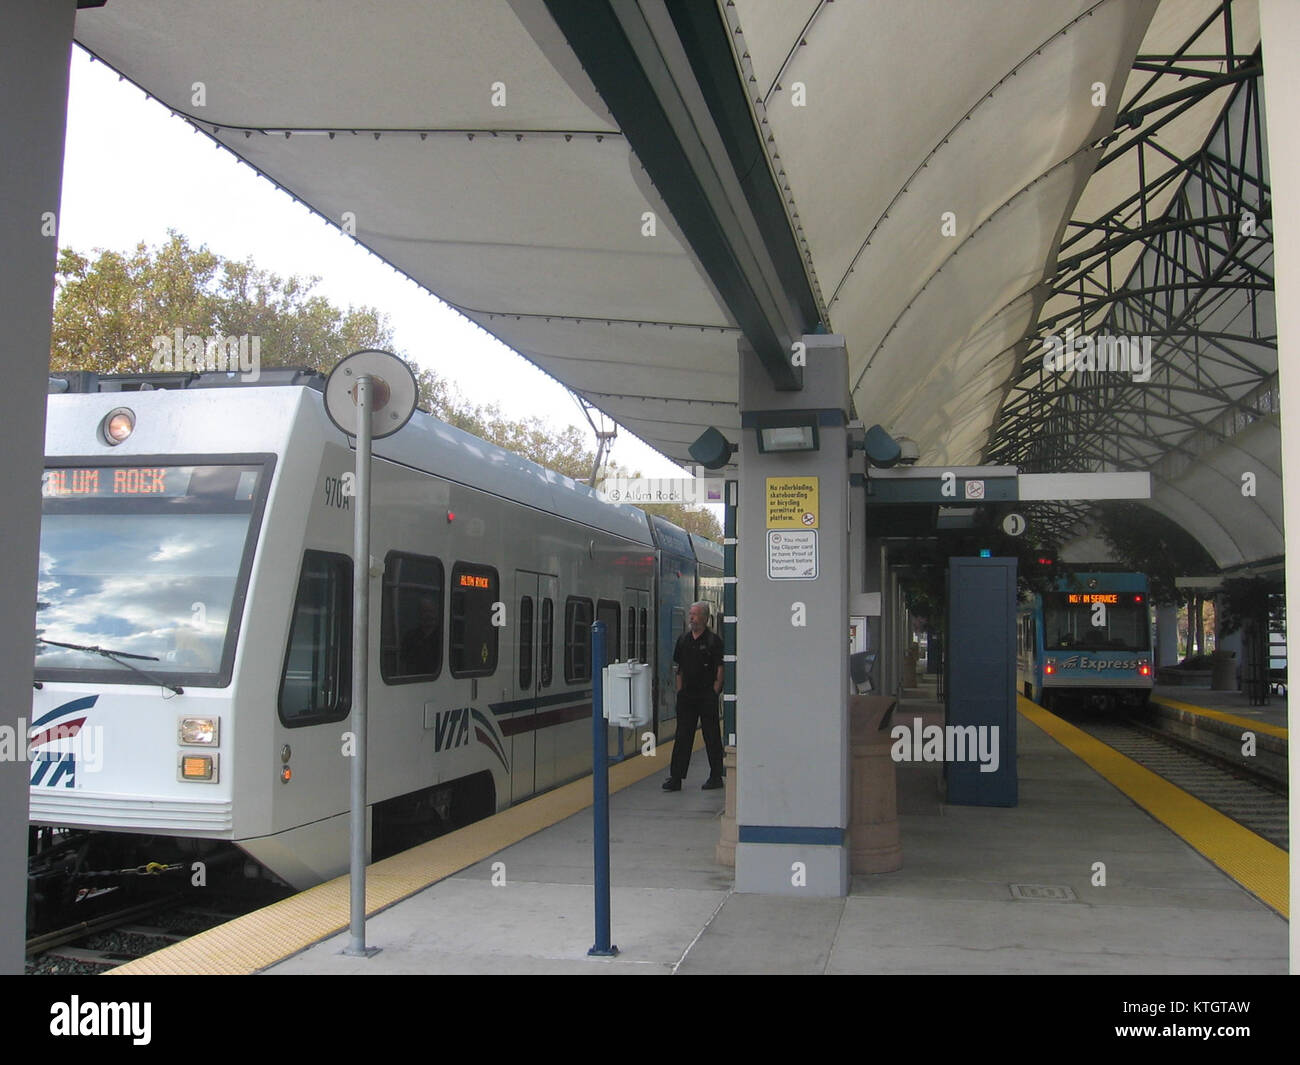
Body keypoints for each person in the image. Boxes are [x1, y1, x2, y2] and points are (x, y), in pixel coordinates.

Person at [663, 601, 725, 791]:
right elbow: (679, 669)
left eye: (695, 614)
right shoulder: (683, 641)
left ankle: (715, 776)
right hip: (687, 696)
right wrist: (680, 691)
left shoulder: (714, 642)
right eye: (690, 614)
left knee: (712, 736)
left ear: (705, 618)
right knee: (683, 736)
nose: (691, 618)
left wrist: (715, 690)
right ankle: (676, 777)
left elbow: (720, 668)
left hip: (706, 695)